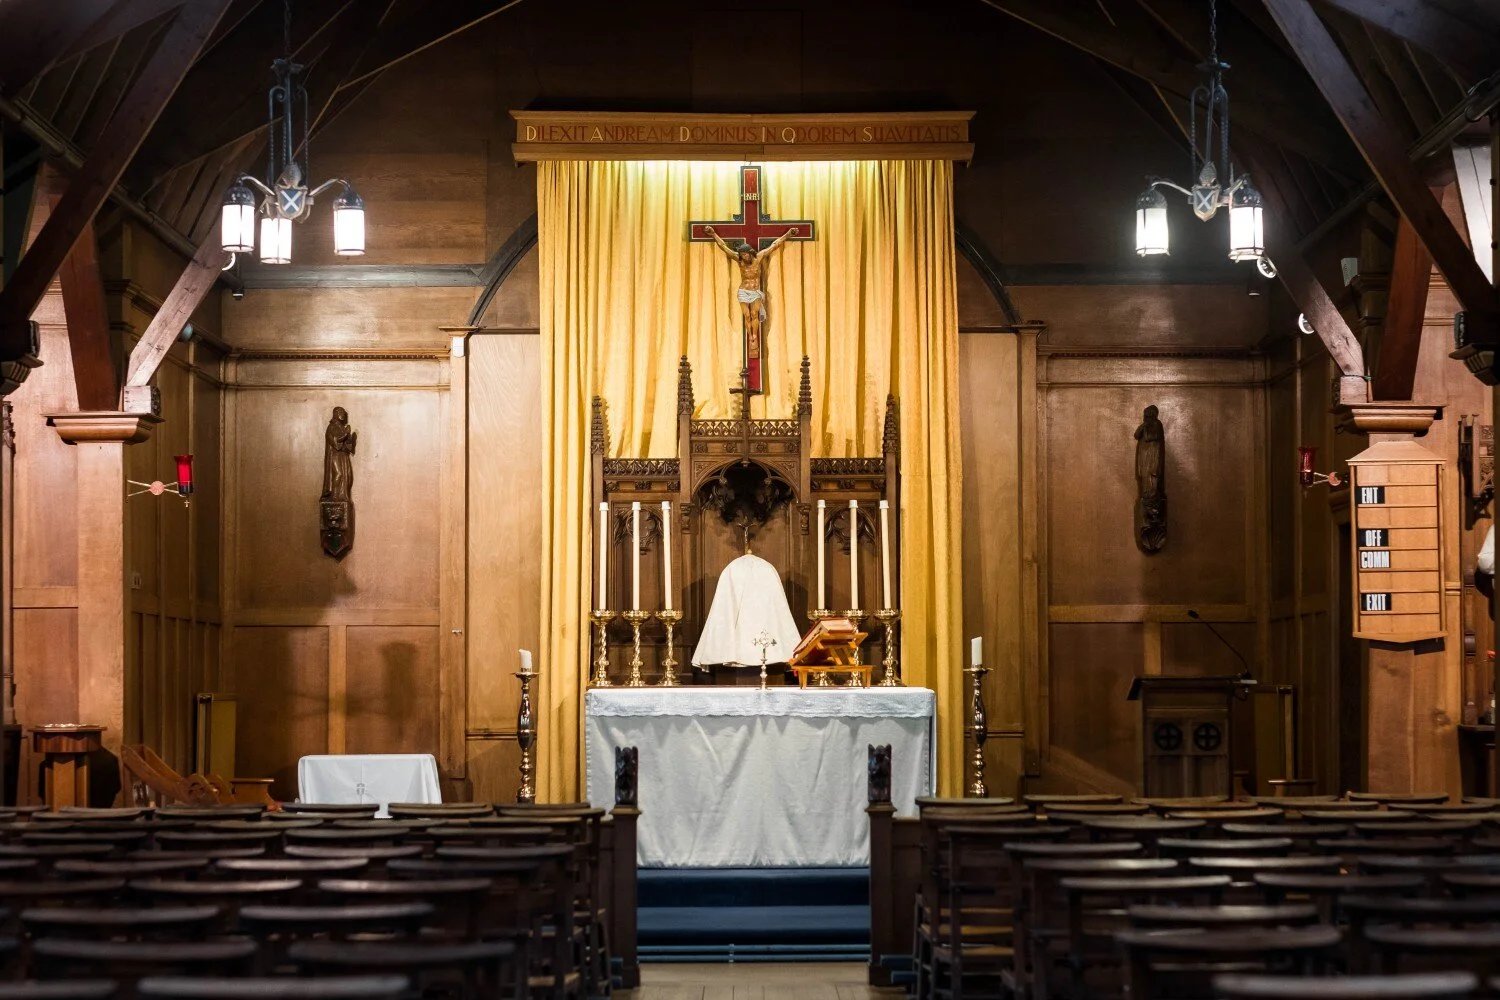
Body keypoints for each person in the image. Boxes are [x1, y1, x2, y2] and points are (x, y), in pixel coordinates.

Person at [704, 225, 799, 363]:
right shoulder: (739, 260)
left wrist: (788, 235)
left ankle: (754, 335)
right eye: (742, 255)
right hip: (743, 291)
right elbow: (723, 246)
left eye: (746, 254)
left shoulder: (758, 258)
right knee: (747, 315)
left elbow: (774, 245)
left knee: (754, 314)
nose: (744, 257)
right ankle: (751, 337)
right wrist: (713, 234)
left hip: (754, 292)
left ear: (750, 252)